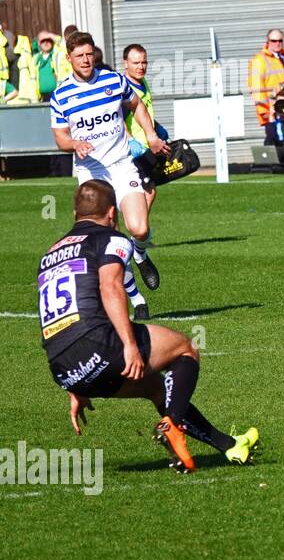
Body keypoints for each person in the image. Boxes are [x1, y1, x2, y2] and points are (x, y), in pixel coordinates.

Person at [40, 180, 260, 472]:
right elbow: (111, 287)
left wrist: (75, 386)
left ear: (74, 214)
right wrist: (129, 345)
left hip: (64, 369)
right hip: (99, 348)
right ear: (111, 213)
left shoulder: (49, 255)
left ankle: (230, 446)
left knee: (158, 389)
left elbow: (56, 320)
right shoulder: (111, 238)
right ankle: (170, 426)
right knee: (185, 348)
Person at [50, 32, 166, 301]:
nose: (85, 59)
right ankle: (137, 300)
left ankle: (139, 252)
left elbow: (135, 104)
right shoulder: (61, 95)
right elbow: (60, 137)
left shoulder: (114, 80)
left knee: (139, 229)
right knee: (108, 241)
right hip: (92, 173)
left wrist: (150, 134)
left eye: (89, 54)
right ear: (69, 59)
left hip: (122, 164)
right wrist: (73, 144)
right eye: (79, 56)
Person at [120, 43, 171, 320]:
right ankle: (137, 253)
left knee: (150, 195)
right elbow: (121, 120)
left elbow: (143, 113)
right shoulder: (122, 86)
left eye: (144, 62)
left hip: (146, 150)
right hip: (130, 155)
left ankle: (138, 251)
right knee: (141, 207)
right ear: (124, 63)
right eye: (136, 63)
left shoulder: (142, 82)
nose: (141, 67)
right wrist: (132, 143)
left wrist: (157, 131)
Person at [247, 28, 284, 144]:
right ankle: (267, 161)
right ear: (267, 42)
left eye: (280, 40)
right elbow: (256, 90)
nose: (277, 43)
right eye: (274, 41)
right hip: (272, 111)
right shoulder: (259, 61)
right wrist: (265, 113)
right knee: (273, 140)